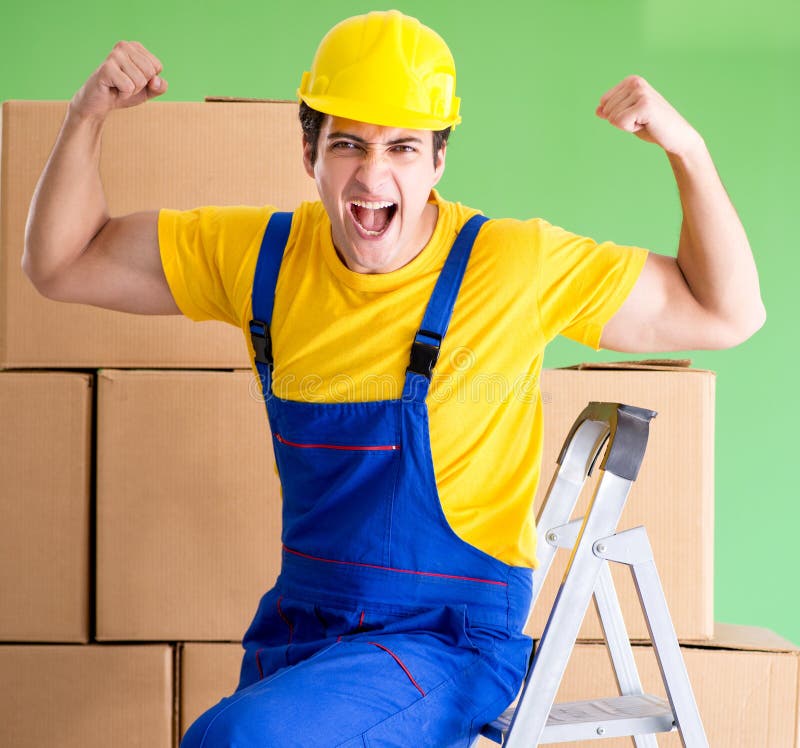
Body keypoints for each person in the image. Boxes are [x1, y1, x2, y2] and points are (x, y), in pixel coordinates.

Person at [23, 10, 764, 747]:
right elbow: (62, 262)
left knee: (236, 741)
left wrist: (687, 151)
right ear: (308, 149)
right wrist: (86, 116)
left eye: (403, 147)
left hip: (447, 640)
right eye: (348, 144)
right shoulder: (262, 258)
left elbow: (725, 313)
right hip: (302, 630)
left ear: (438, 160)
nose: (373, 176)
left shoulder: (509, 267)